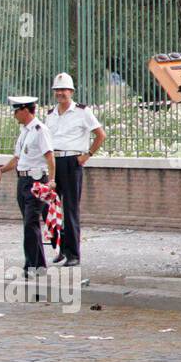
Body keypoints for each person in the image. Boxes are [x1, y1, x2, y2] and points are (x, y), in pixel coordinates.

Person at [43, 73, 105, 268]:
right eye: (57, 90)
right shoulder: (50, 114)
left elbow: (101, 135)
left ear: (71, 92)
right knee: (49, 207)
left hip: (72, 161)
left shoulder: (82, 112)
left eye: (64, 90)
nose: (60, 93)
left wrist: (88, 154)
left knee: (69, 209)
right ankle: (60, 247)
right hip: (54, 162)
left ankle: (73, 254)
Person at [0, 97, 56, 274]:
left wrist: (51, 181)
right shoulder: (25, 132)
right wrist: (2, 170)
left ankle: (31, 266)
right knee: (30, 224)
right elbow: (18, 158)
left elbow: (50, 157)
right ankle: (39, 265)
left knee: (31, 224)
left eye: (16, 111)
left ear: (25, 110)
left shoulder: (40, 130)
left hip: (36, 182)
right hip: (23, 182)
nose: (14, 115)